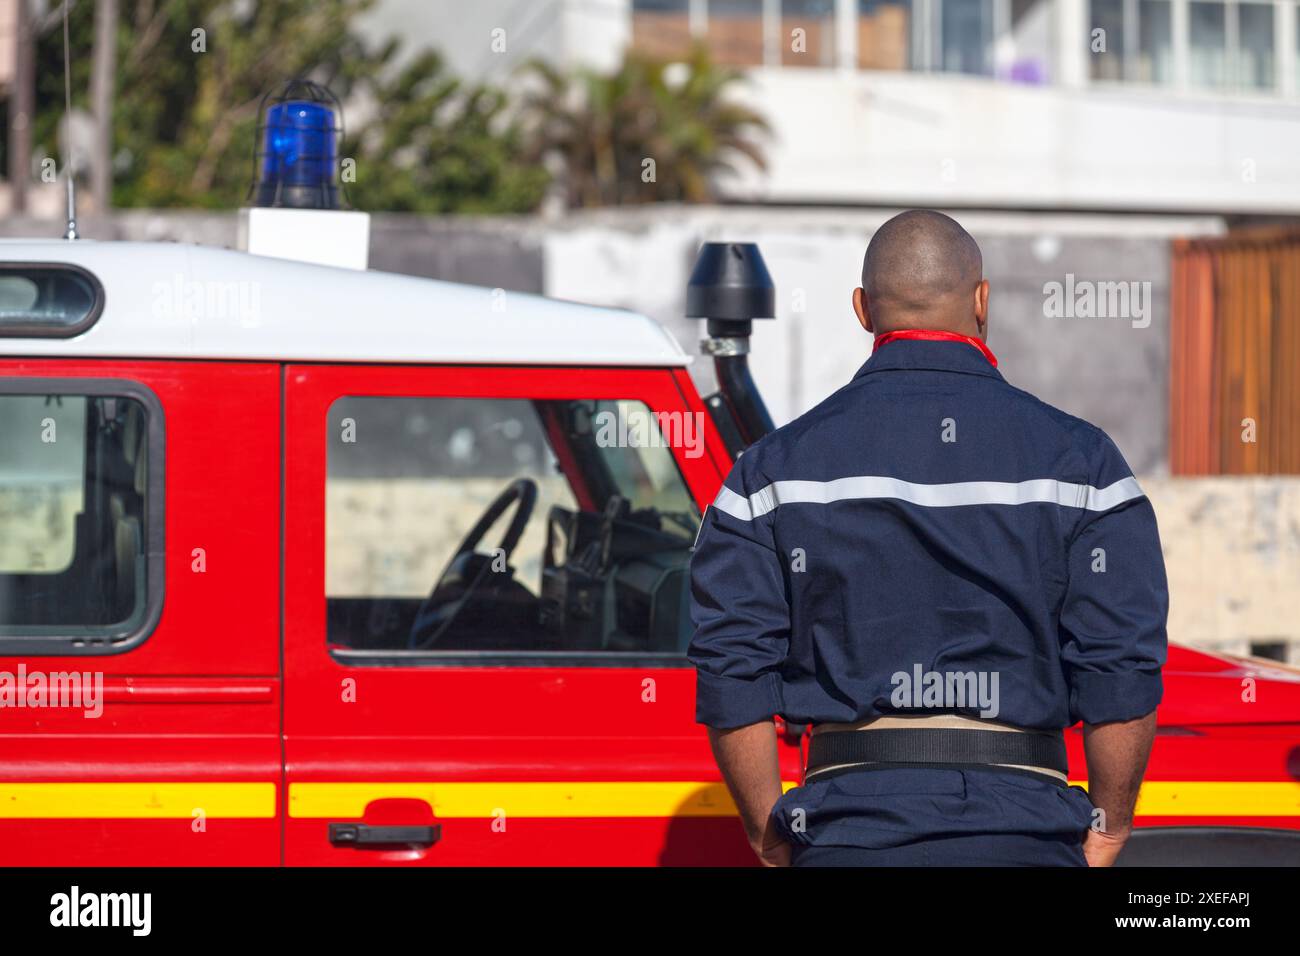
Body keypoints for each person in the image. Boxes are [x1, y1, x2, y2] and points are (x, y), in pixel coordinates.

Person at [687, 209, 1168, 867]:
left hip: (847, 840)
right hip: (1024, 839)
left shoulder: (769, 474)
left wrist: (770, 836)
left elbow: (731, 666)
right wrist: (1108, 829)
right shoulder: (1085, 466)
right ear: (982, 301)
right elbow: (1120, 669)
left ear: (863, 310)